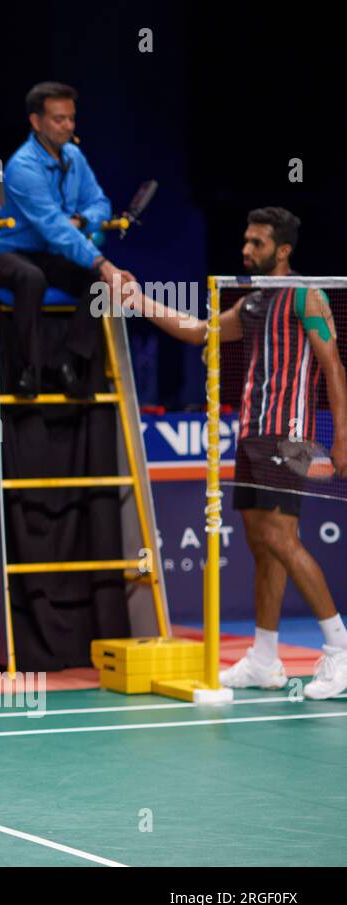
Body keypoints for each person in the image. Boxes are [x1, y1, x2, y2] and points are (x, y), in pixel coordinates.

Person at [125, 207, 347, 698]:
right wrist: (137, 298)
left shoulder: (305, 297)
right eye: (245, 240)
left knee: (282, 540)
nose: (246, 250)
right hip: (251, 434)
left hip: (288, 437)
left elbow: (332, 365)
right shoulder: (251, 305)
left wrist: (342, 438)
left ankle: (339, 649)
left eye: (258, 243)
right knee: (260, 543)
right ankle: (265, 659)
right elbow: (197, 331)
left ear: (283, 251)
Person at [0, 81, 136, 398]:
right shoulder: (22, 167)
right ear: (36, 122)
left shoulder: (74, 157)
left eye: (71, 118)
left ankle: (66, 361)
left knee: (98, 284)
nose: (68, 125)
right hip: (5, 251)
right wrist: (103, 262)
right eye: (58, 119)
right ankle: (27, 370)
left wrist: (83, 219)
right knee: (32, 278)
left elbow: (99, 203)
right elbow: (54, 227)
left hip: (45, 252)